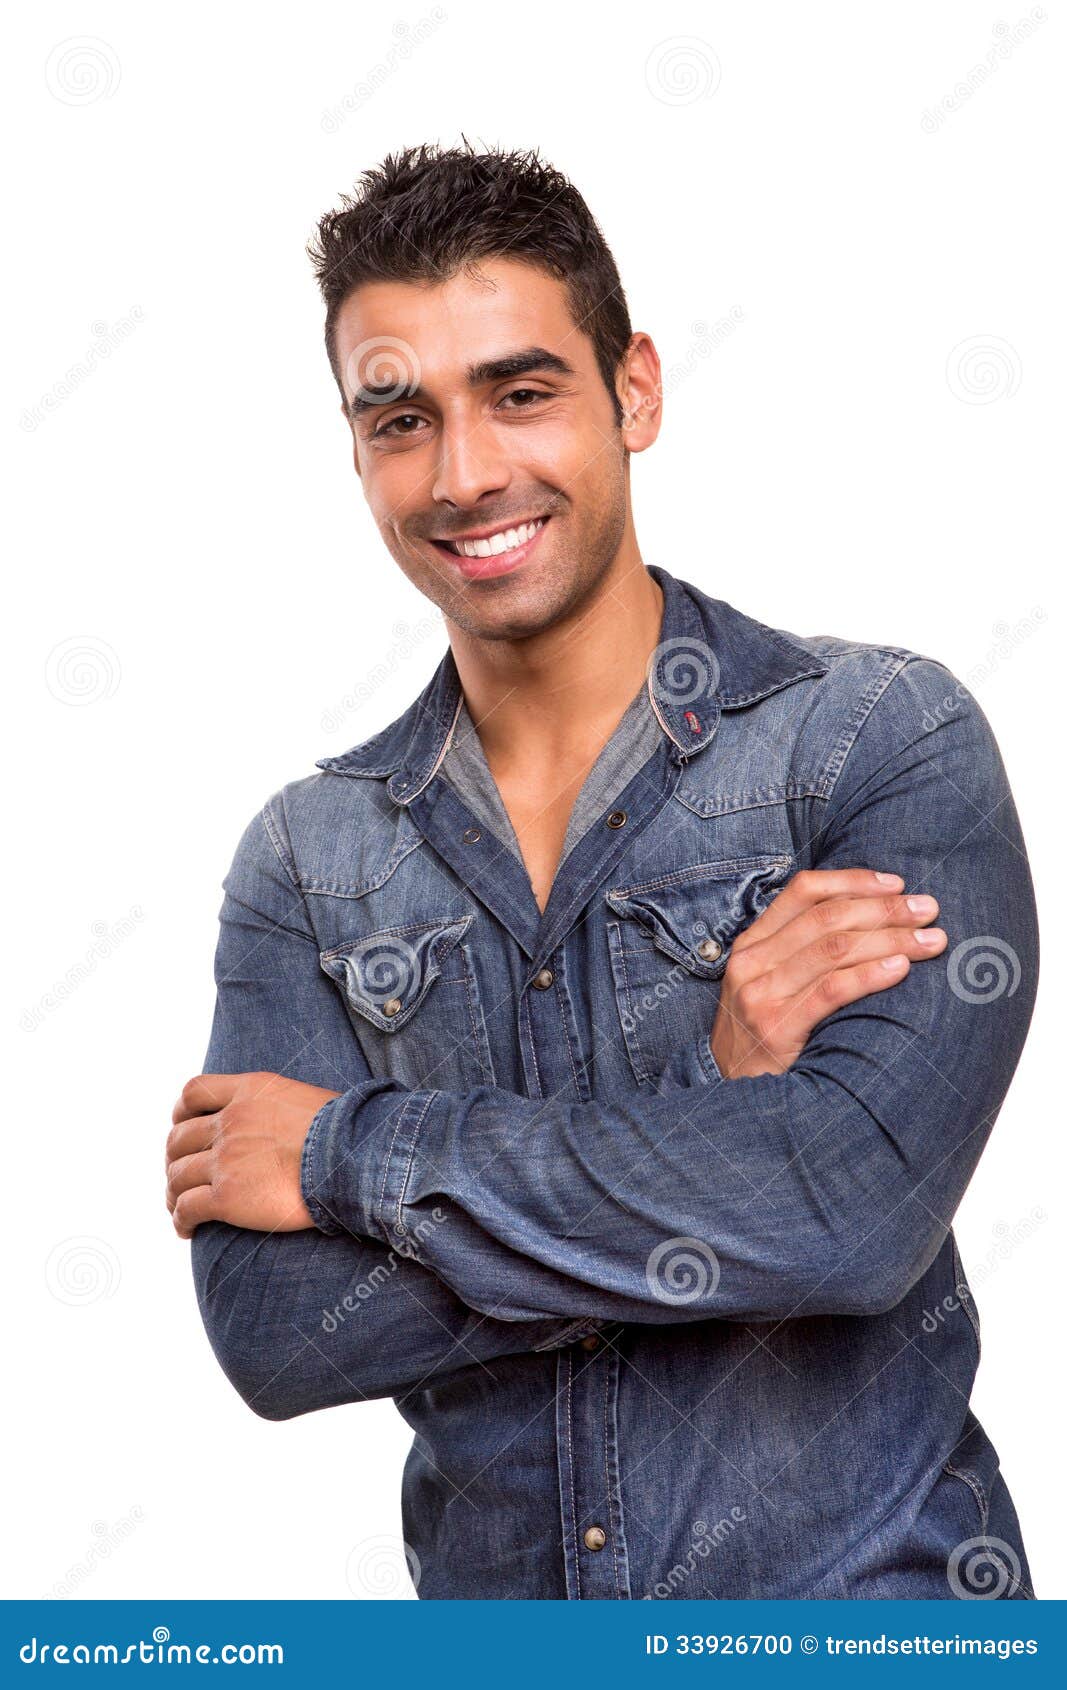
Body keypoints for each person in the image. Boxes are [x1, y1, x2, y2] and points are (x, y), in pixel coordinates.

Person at [165, 144, 1038, 1600]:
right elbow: (277, 1329)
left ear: (632, 388)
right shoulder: (309, 860)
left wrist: (342, 1157)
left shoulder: (880, 742)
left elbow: (850, 1213)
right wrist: (714, 1130)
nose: (465, 474)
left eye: (520, 392)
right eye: (399, 418)